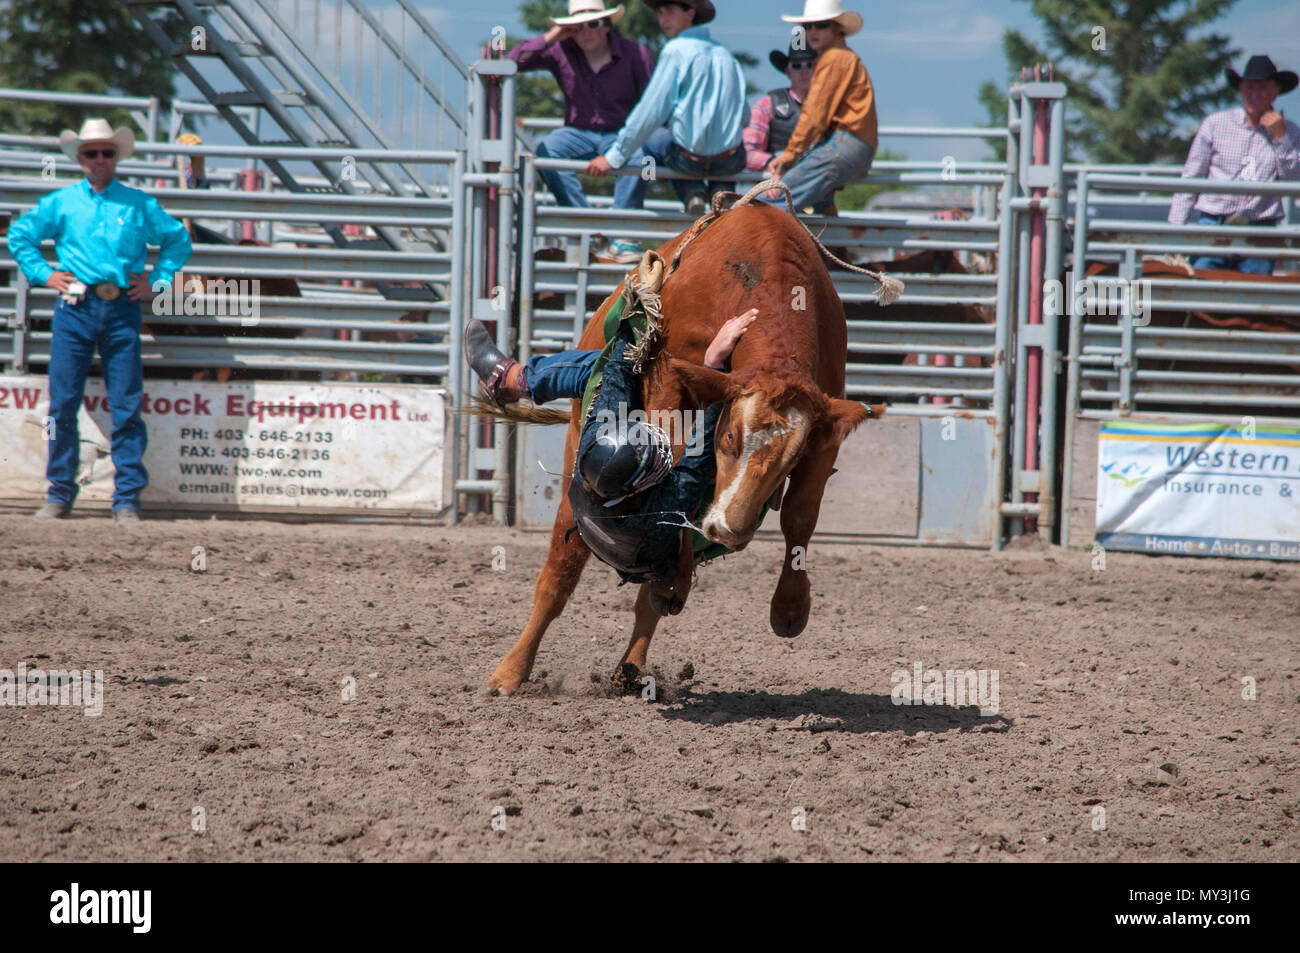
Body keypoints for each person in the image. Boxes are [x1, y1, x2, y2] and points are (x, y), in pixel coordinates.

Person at [464, 305, 757, 582]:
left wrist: (634, 317)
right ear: (645, 487)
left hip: (608, 535)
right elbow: (698, 458)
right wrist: (713, 366)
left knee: (604, 373)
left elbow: (617, 368)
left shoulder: (597, 436)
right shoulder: (660, 513)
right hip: (647, 555)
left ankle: (512, 380)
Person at [7, 118, 192, 523]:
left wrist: (157, 282)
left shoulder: (140, 204)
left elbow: (178, 240)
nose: (100, 159)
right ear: (80, 158)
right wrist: (45, 275)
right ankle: (60, 493)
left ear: (116, 157)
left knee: (125, 405)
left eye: (107, 152)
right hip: (76, 306)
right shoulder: (62, 203)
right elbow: (20, 235)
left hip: (122, 306)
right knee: (62, 406)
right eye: (92, 153)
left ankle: (126, 499)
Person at [509, 1, 656, 263]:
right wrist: (552, 35)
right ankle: (589, 228)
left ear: (607, 25)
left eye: (593, 23)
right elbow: (512, 62)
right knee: (547, 150)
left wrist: (630, 142)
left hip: (622, 133)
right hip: (577, 133)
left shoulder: (636, 53)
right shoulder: (560, 49)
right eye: (577, 27)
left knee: (641, 156)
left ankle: (622, 238)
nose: (585, 32)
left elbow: (653, 103)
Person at [584, 0, 747, 215]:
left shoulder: (675, 50)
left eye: (670, 11)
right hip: (730, 161)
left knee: (651, 140)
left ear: (690, 13)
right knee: (720, 152)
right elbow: (744, 115)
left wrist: (614, 156)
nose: (663, 19)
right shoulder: (726, 55)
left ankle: (691, 192)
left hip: (689, 161)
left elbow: (650, 113)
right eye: (660, 13)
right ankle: (722, 193)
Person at [1168, 55, 1300, 275]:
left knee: (1254, 301)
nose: (1255, 95)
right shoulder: (1216, 124)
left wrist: (1280, 139)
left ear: (1276, 92)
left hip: (1260, 229)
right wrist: (1175, 229)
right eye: (1249, 88)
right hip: (1214, 224)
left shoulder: (1291, 132)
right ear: (1241, 89)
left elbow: (1294, 180)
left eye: (1263, 88)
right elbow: (1191, 177)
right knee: (1201, 293)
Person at [763, 0, 877, 211]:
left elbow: (814, 117)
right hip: (851, 147)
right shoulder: (844, 56)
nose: (812, 31)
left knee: (771, 203)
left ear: (836, 27)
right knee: (802, 206)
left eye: (821, 24)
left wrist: (788, 157)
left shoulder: (833, 58)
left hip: (843, 145)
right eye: (807, 26)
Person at [744, 41, 835, 213]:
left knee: (832, 227)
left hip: (819, 196)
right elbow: (748, 152)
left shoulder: (831, 108)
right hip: (775, 196)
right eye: (796, 65)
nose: (804, 70)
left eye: (810, 64)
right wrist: (772, 163)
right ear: (787, 71)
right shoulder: (767, 104)